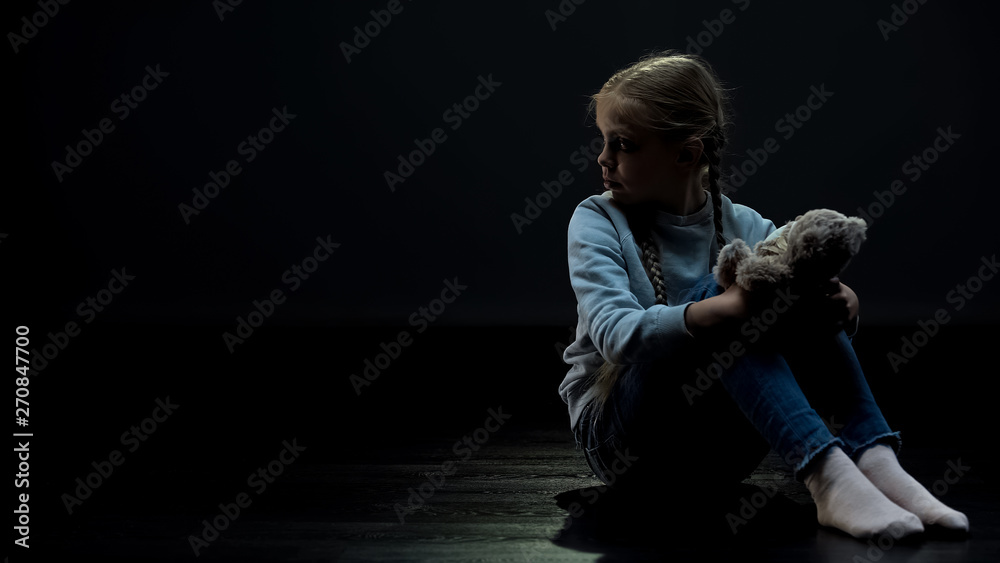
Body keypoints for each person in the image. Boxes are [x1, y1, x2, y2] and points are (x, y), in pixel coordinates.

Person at [558, 50, 969, 539]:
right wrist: (727, 305)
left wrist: (840, 303)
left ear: (687, 155)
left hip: (724, 449)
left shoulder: (744, 223)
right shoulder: (598, 218)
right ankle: (827, 476)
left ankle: (874, 456)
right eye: (604, 141)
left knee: (787, 280)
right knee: (730, 290)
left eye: (622, 144)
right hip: (625, 441)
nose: (603, 159)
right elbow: (614, 334)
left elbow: (798, 296)